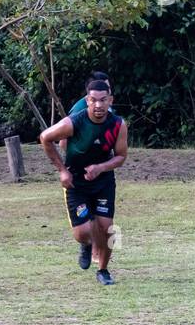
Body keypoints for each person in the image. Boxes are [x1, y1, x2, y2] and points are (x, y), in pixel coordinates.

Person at [39, 78, 129, 285]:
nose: (98, 105)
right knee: (84, 233)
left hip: (103, 182)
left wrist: (100, 168)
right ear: (87, 100)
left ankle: (104, 270)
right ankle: (86, 245)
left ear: (110, 101)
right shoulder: (74, 122)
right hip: (76, 183)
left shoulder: (118, 124)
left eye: (103, 100)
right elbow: (45, 138)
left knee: (108, 228)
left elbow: (121, 156)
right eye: (93, 100)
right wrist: (62, 171)